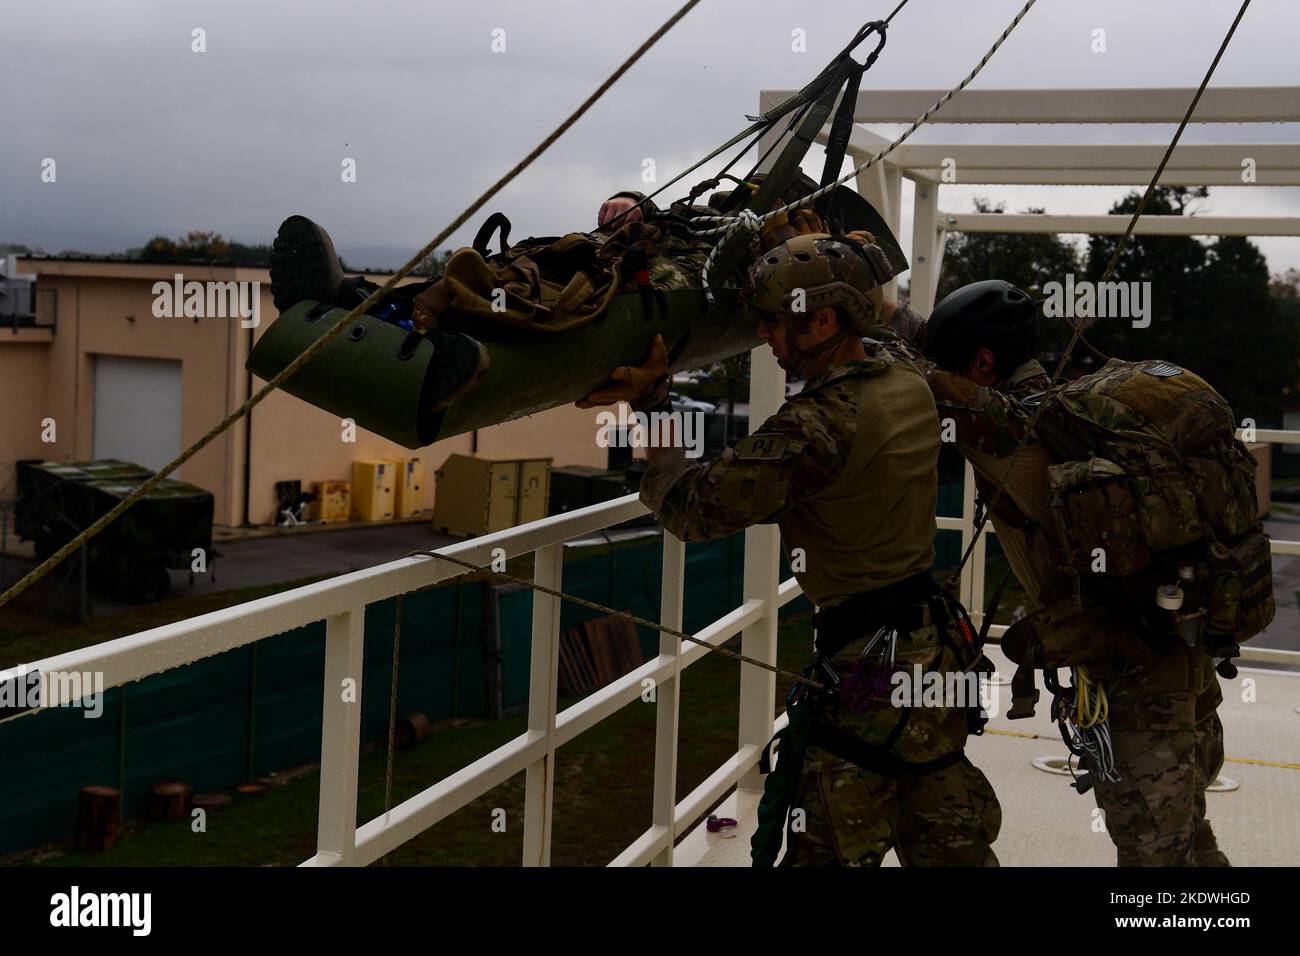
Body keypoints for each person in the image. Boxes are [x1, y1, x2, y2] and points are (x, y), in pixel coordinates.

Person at [580, 234, 1002, 866]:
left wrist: (655, 405)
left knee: (827, 844)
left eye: (773, 323)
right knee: (947, 842)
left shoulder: (816, 426)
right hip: (932, 652)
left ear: (824, 320)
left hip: (868, 674)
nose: (764, 336)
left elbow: (691, 508)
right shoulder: (907, 374)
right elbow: (906, 332)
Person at [882, 281, 1232, 866]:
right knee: (1188, 838)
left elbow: (914, 375)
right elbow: (936, 356)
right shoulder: (1066, 408)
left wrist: (857, 303)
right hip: (1183, 655)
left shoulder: (1005, 432)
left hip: (1139, 691)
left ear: (983, 365)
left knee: (1154, 865)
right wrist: (888, 308)